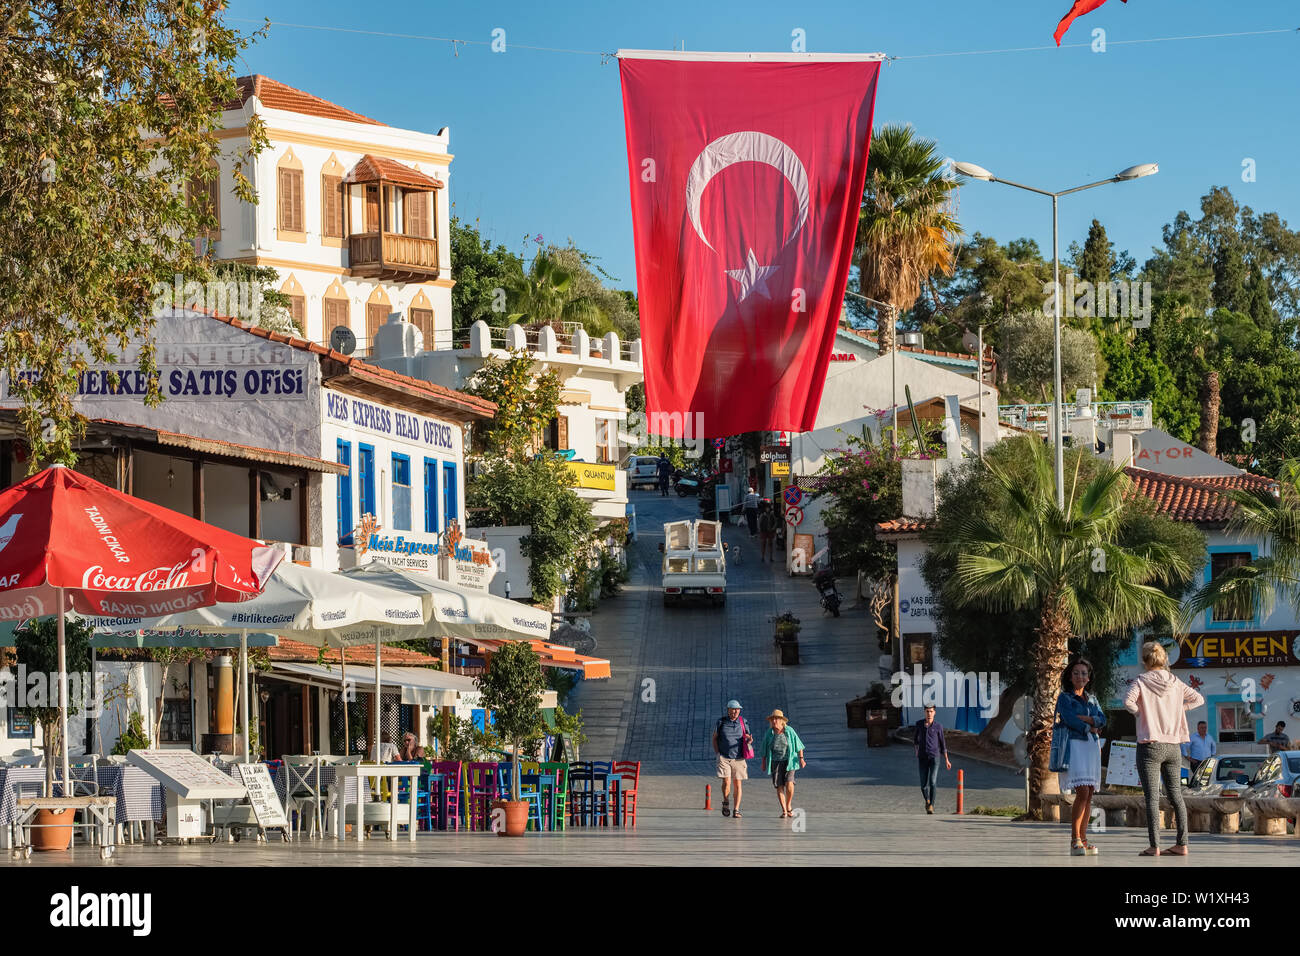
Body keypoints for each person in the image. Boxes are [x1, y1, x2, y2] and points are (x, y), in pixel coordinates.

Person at [1124, 641, 1204, 857]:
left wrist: (1142, 713)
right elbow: (1198, 699)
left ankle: (1154, 846)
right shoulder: (1175, 682)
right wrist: (1179, 709)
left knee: (1151, 796)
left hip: (1150, 745)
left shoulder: (1141, 681)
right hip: (1173, 746)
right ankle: (1182, 843)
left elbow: (1128, 702)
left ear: (1144, 660)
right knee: (1176, 795)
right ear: (1164, 659)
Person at [1056, 657, 1107, 856]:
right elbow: (1069, 719)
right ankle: (1074, 839)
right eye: (1076, 672)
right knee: (1082, 792)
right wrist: (1090, 726)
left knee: (1090, 794)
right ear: (1070, 676)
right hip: (1074, 746)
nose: (1080, 676)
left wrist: (1088, 721)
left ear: (1088, 677)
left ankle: (1084, 839)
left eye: (1084, 673)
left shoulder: (1092, 698)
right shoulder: (1064, 698)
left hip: (1092, 747)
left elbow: (1102, 719)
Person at [760, 709, 806, 818]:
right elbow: (764, 748)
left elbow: (799, 745)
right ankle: (784, 810)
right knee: (779, 786)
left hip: (789, 761)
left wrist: (801, 759)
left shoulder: (789, 731)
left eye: (776, 718)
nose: (774, 720)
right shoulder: (769, 733)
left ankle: (788, 804)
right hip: (775, 762)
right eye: (773, 719)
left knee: (789, 783)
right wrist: (763, 763)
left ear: (782, 721)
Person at [712, 699, 753, 819]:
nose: (735, 711)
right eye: (732, 709)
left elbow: (748, 737)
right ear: (728, 710)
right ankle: (725, 801)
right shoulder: (721, 722)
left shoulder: (743, 721)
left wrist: (749, 740)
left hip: (739, 758)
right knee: (726, 782)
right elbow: (714, 738)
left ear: (739, 710)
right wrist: (717, 753)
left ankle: (736, 810)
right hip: (724, 757)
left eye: (737, 709)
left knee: (738, 784)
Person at [912, 705, 951, 814]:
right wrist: (917, 752)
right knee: (923, 785)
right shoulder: (919, 724)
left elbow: (943, 744)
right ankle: (927, 800)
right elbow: (915, 741)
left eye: (931, 711)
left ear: (935, 713)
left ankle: (931, 806)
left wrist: (947, 760)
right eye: (927, 711)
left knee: (933, 782)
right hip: (922, 758)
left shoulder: (938, 726)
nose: (929, 713)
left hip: (935, 757)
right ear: (924, 712)